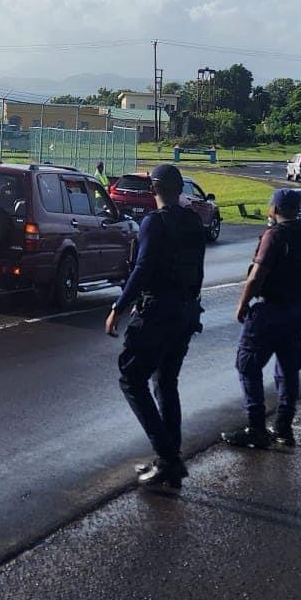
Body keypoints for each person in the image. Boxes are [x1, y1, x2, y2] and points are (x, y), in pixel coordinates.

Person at [103, 162, 208, 492]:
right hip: (186, 312)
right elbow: (199, 271)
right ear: (180, 190)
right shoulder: (194, 222)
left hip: (158, 312)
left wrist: (118, 308)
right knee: (166, 381)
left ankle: (168, 457)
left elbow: (143, 267)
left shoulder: (153, 223)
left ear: (154, 190)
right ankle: (169, 460)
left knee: (132, 379)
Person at [222, 166, 301, 450]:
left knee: (247, 365)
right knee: (288, 369)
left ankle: (255, 427)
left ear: (274, 209)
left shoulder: (275, 235)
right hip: (299, 312)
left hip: (272, 312)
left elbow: (256, 276)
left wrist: (242, 304)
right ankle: (283, 427)